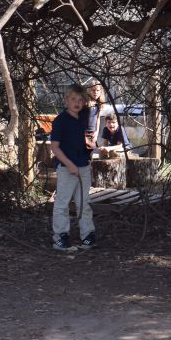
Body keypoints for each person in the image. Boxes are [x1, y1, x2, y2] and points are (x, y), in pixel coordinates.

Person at [49, 83, 97, 251]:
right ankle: (60, 237)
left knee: (84, 202)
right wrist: (69, 165)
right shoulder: (61, 121)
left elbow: (83, 144)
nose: (77, 102)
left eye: (80, 100)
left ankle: (88, 235)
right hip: (66, 168)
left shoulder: (82, 119)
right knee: (62, 203)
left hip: (83, 167)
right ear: (66, 100)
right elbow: (54, 147)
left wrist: (86, 162)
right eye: (73, 99)